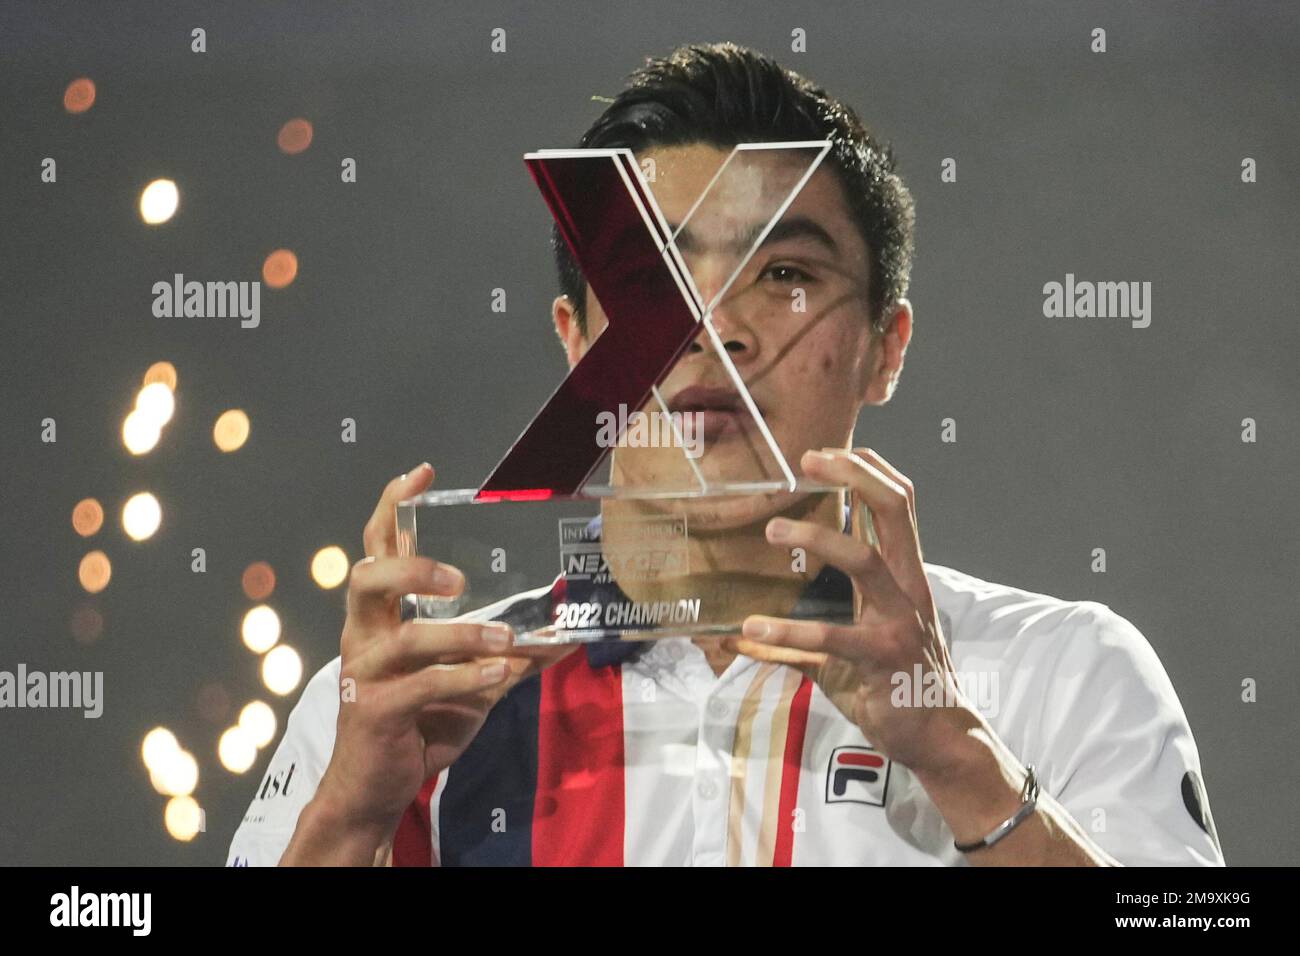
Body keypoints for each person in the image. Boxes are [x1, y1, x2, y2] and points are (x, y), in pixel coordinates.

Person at [227, 41, 1223, 867]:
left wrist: (956, 757)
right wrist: (351, 818)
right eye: (653, 280)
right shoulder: (392, 709)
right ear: (577, 343)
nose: (714, 333)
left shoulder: (1063, 670)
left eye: (782, 273)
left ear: (884, 347)